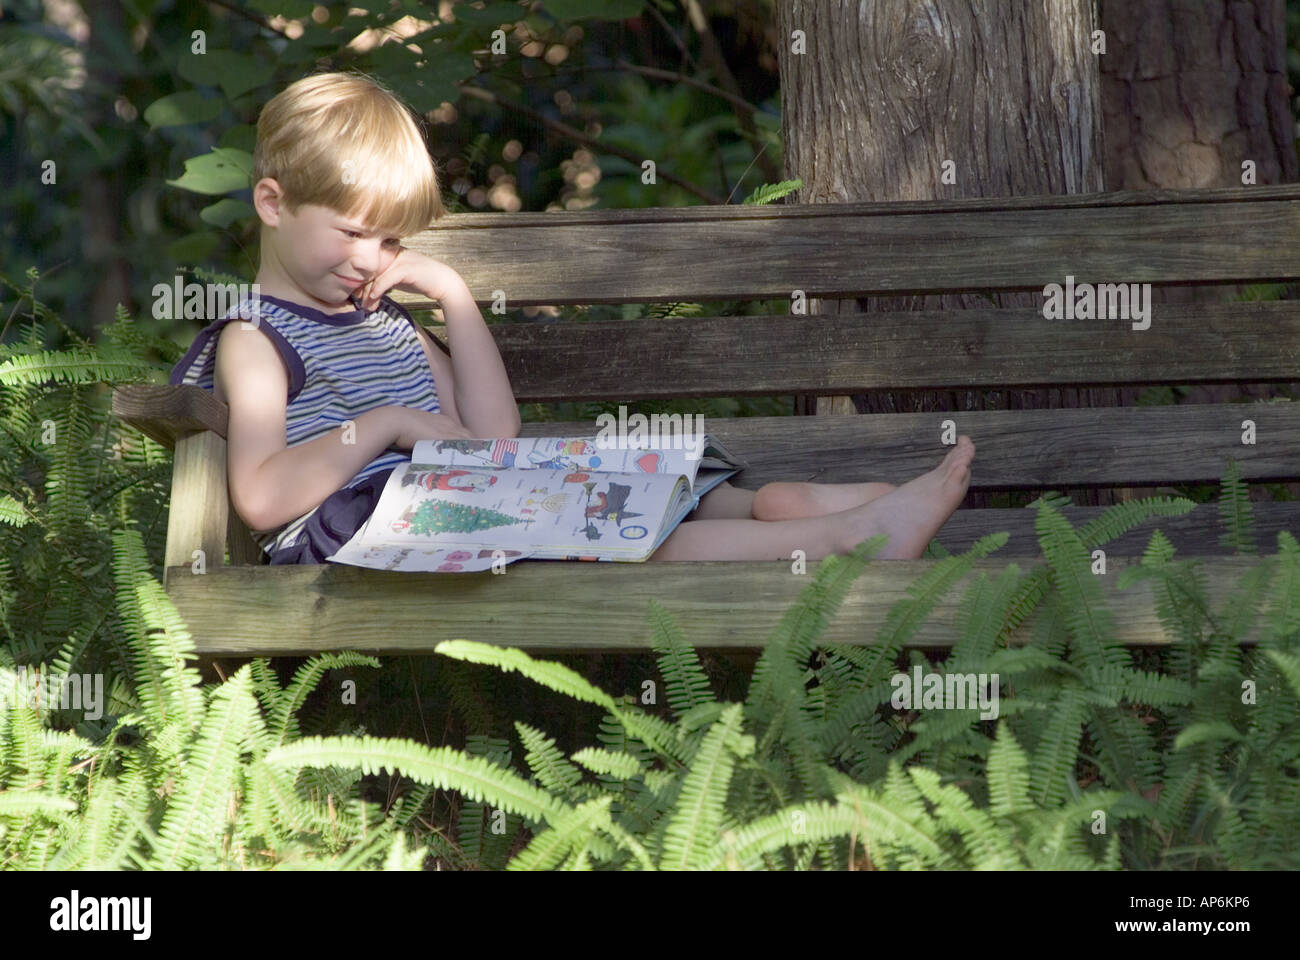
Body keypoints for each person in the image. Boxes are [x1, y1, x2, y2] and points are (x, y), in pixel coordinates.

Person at [171, 71, 975, 566]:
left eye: (389, 239)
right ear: (272, 204)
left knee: (610, 470)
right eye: (351, 233)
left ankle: (787, 505)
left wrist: (448, 294)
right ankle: (840, 540)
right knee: (593, 522)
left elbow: (494, 434)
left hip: (452, 496)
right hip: (366, 532)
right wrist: (387, 423)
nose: (370, 258)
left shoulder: (382, 319)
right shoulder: (256, 340)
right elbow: (263, 497)